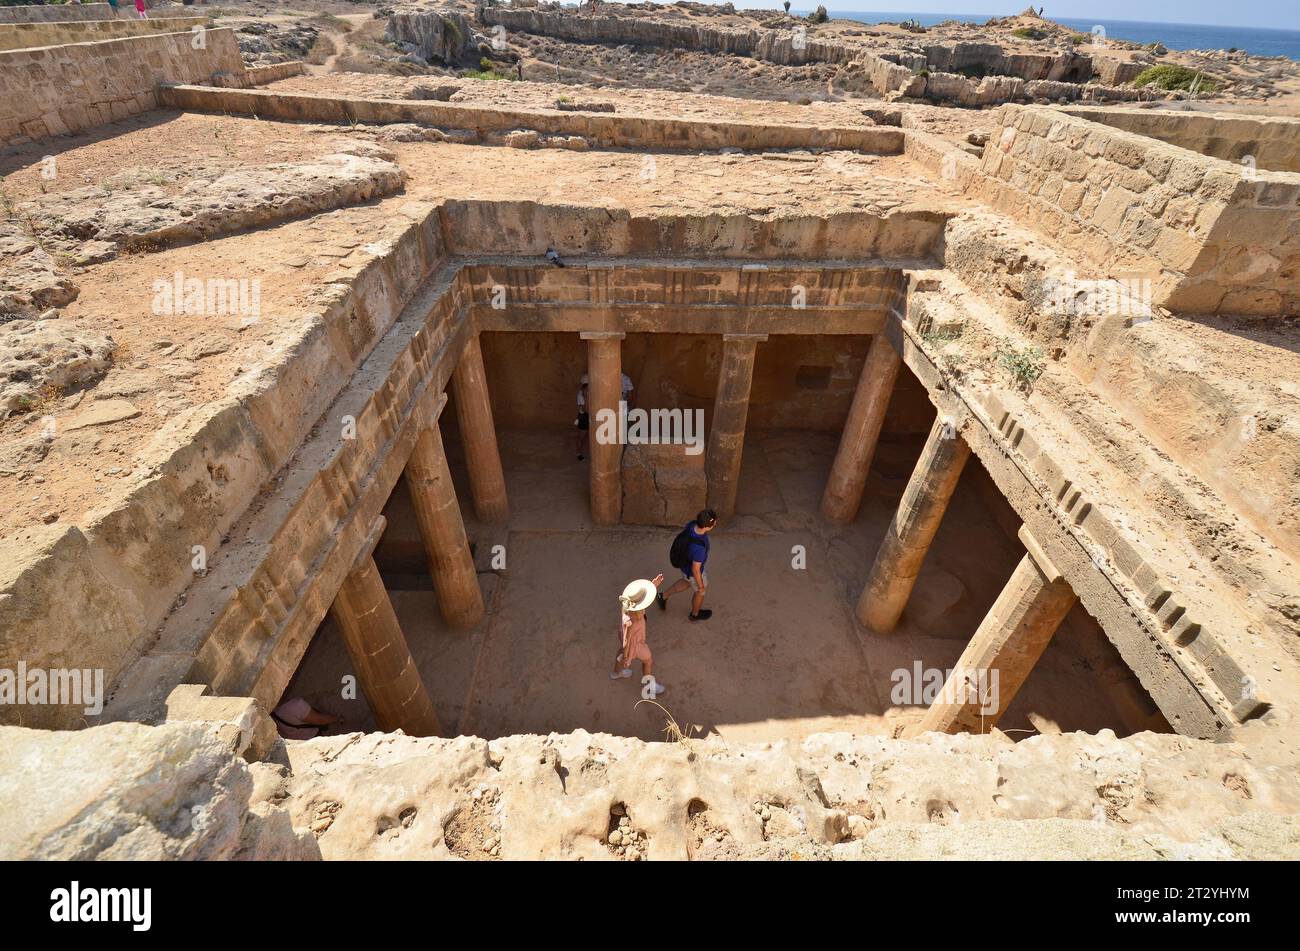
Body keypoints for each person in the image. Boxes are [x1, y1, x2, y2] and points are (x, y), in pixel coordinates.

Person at [612, 575, 667, 695]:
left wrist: (653, 585)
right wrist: (627, 657)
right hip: (635, 644)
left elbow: (624, 639)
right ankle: (650, 685)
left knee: (620, 654)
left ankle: (616, 673)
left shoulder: (627, 605)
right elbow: (628, 639)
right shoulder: (635, 621)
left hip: (623, 633)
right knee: (648, 660)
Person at [658, 508, 716, 621]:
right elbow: (696, 569)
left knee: (687, 581)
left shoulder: (692, 524)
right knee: (700, 592)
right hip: (692, 572)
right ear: (707, 526)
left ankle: (663, 596)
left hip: (685, 566)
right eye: (713, 523)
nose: (715, 524)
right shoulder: (699, 549)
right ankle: (695, 614)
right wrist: (701, 586)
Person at [271, 697, 344, 740]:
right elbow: (320, 720)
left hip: (294, 741)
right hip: (311, 737)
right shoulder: (296, 705)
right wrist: (337, 718)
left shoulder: (269, 709)